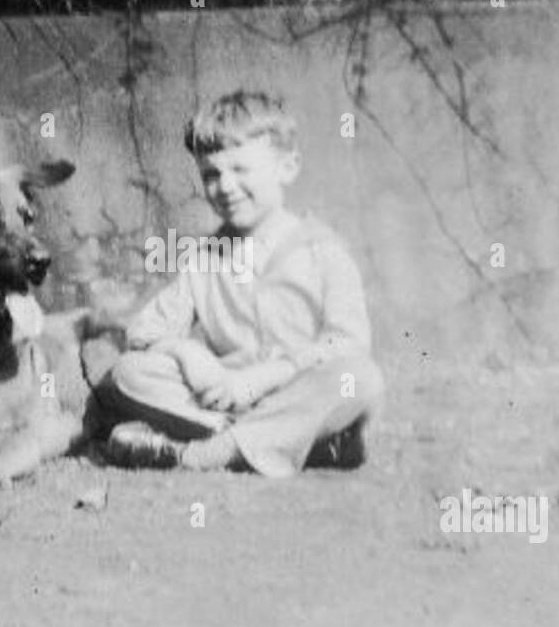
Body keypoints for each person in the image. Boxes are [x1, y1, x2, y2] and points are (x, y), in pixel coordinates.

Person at [104, 90, 384, 477]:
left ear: (287, 168)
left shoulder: (324, 252)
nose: (226, 186)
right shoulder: (205, 259)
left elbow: (348, 343)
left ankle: (204, 453)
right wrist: (188, 352)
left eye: (240, 170)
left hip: (298, 392)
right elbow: (143, 331)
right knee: (129, 372)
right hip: (228, 399)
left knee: (359, 378)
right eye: (212, 175)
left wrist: (263, 378)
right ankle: (281, 443)